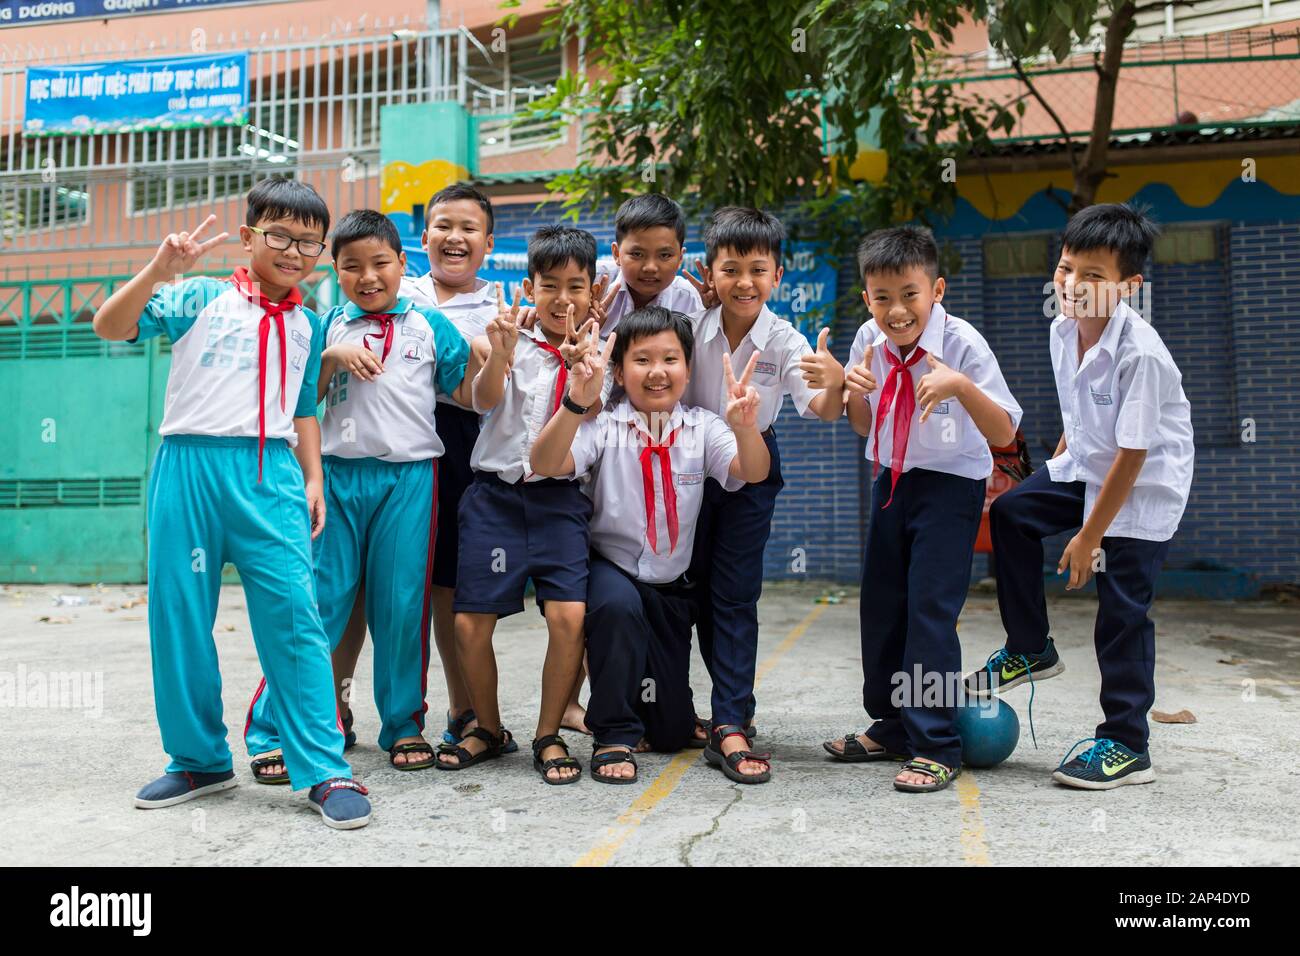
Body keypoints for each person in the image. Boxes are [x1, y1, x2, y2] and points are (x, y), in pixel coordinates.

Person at [91, 178, 371, 829]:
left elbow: (303, 408)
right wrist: (161, 268)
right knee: (180, 615)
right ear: (247, 239)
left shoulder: (307, 323)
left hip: (270, 475)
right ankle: (198, 760)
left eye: (309, 242)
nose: (294, 251)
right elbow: (110, 324)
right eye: (279, 236)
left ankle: (323, 768)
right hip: (188, 467)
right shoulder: (199, 296)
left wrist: (313, 478)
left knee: (297, 618)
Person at [243, 209, 498, 775]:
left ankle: (403, 725)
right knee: (317, 607)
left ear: (403, 264)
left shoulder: (431, 325)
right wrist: (331, 359)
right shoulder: (323, 324)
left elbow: (471, 395)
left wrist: (498, 353)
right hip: (335, 478)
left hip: (410, 481)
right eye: (352, 266)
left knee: (402, 607)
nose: (368, 276)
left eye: (380, 263)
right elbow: (296, 400)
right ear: (335, 271)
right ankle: (274, 727)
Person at [965, 203, 1193, 790]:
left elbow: (1134, 454)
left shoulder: (1141, 354)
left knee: (1121, 614)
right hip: (1088, 463)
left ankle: (1126, 743)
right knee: (1013, 512)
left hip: (1140, 488)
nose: (1072, 284)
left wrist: (1089, 537)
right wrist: (1063, 464)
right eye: (1066, 268)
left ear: (1129, 287)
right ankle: (1029, 647)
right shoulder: (1061, 329)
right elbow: (1083, 410)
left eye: (1093, 276)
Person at [530, 305, 770, 784]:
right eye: (642, 360)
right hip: (612, 570)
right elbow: (545, 462)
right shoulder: (606, 425)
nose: (657, 372)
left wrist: (745, 428)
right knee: (616, 609)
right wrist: (576, 402)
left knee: (670, 729)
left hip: (670, 587)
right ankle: (612, 733)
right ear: (618, 371)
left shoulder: (704, 427)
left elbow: (752, 472)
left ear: (688, 368)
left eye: (670, 359)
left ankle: (655, 716)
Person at [824, 225, 1021, 794]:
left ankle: (936, 743)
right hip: (891, 482)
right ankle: (892, 726)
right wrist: (852, 392)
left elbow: (1006, 430)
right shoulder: (868, 337)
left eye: (909, 294)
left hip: (949, 489)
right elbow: (864, 424)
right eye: (882, 297)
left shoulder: (962, 343)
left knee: (929, 614)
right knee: (883, 608)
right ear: (867, 299)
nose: (896, 309)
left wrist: (960, 385)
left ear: (936, 289)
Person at [435, 226, 611, 784]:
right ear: (530, 287)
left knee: (569, 616)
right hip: (493, 498)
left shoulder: (608, 354)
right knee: (469, 624)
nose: (563, 298)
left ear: (592, 291)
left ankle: (548, 733)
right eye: (550, 285)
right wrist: (501, 357)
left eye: (576, 286)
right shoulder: (504, 339)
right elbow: (483, 401)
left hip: (560, 502)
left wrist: (588, 372)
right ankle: (487, 728)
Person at [682, 206, 845, 783]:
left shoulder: (785, 339)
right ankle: (699, 712)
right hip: (686, 465)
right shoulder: (689, 326)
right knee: (688, 593)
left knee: (733, 595)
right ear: (709, 272)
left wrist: (835, 384)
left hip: (752, 466)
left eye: (758, 269)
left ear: (777, 275)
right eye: (731, 269)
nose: (744, 282)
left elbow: (821, 409)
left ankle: (729, 720)